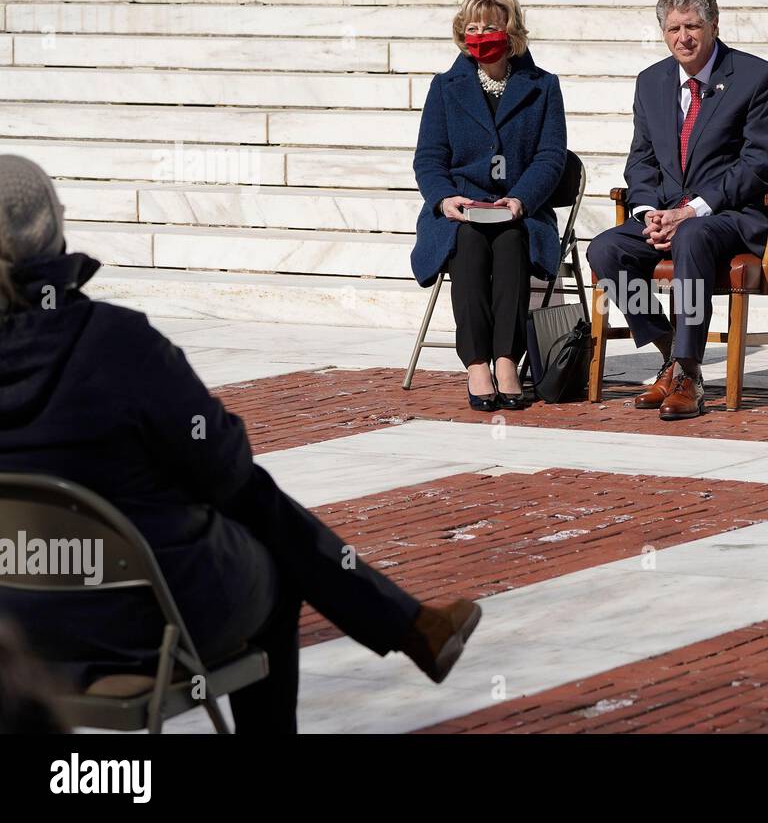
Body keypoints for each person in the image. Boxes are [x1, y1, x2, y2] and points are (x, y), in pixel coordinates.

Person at [0, 155, 482, 733]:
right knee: (270, 559)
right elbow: (225, 466)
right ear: (55, 230)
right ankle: (408, 626)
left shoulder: (112, 343)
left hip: (13, 625)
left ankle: (411, 626)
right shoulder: (116, 342)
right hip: (136, 626)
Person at [585, 0, 768, 421]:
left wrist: (689, 211)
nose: (683, 38)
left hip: (733, 217)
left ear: (714, 25)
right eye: (673, 28)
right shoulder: (651, 81)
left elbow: (758, 166)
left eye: (693, 26)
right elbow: (640, 160)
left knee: (691, 235)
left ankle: (688, 375)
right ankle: (670, 353)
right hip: (669, 215)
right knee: (605, 249)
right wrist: (648, 212)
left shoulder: (757, 78)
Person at [412, 0, 567, 412]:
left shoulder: (543, 86)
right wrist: (445, 199)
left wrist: (521, 199)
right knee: (468, 243)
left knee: (512, 241)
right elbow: (428, 158)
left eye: (490, 28)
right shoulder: (445, 87)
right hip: (459, 209)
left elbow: (551, 157)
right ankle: (476, 361)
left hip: (520, 209)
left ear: (512, 33)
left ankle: (506, 360)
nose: (480, 37)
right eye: (473, 29)